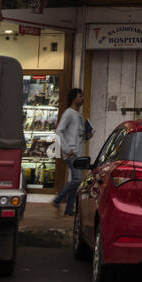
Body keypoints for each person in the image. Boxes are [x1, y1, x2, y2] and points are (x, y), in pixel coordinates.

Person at [52, 88, 86, 217]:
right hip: (72, 153)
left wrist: (87, 135)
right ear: (74, 98)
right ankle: (57, 200)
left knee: (75, 181)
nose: (82, 98)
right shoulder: (69, 113)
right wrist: (67, 149)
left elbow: (78, 135)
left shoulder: (79, 115)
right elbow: (59, 132)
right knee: (78, 179)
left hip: (78, 152)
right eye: (80, 96)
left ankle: (69, 209)